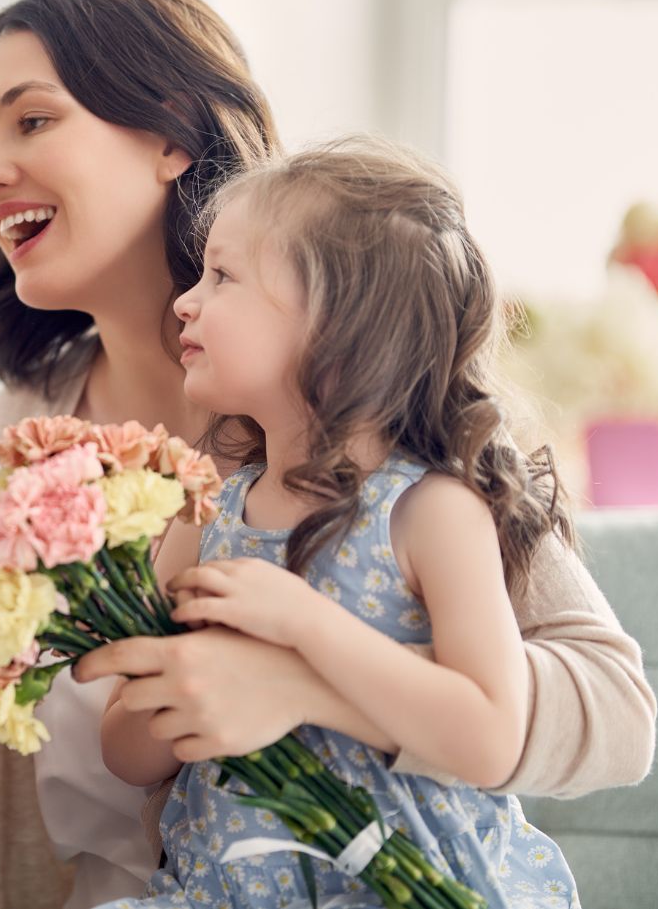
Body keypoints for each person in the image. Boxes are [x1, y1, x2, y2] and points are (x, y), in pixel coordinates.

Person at [0, 0, 654, 909]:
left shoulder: (380, 434)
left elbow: (616, 714)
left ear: (170, 135)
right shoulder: (30, 428)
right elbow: (50, 774)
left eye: (31, 121)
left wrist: (296, 679)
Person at [95, 138, 578, 907]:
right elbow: (124, 751)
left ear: (338, 327)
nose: (187, 299)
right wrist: (180, 685)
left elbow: (490, 735)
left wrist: (301, 628)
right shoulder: (205, 511)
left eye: (223, 276)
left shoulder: (432, 513)